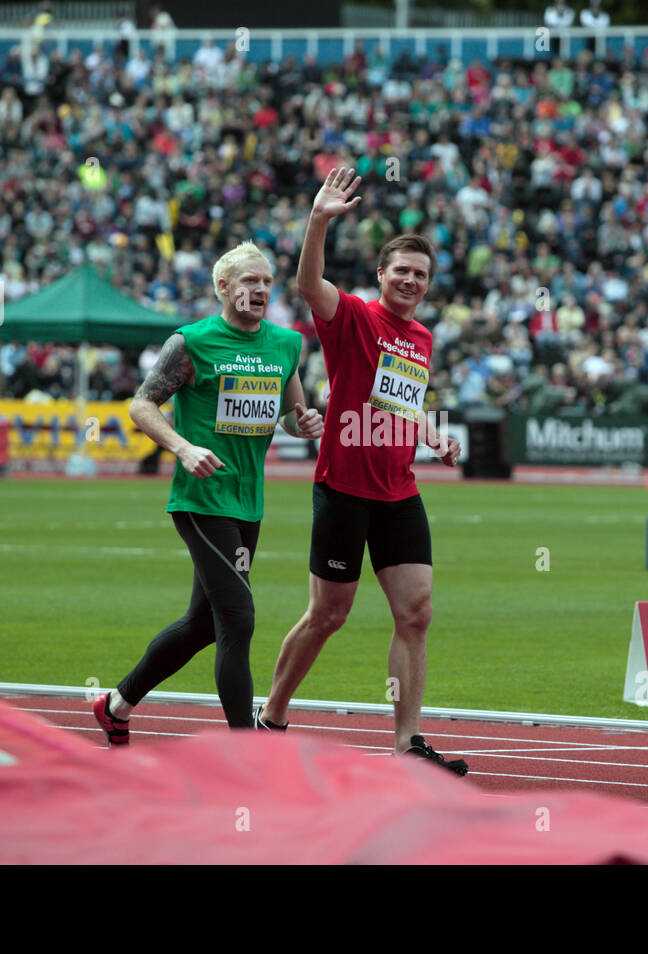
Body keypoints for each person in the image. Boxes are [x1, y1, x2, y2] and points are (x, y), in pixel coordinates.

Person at [256, 168, 469, 775]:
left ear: (427, 285)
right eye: (400, 270)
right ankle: (271, 717)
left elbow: (400, 402)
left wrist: (432, 434)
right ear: (381, 274)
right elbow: (307, 283)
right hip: (343, 489)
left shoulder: (421, 337)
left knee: (417, 612)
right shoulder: (350, 316)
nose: (410, 280)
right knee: (329, 615)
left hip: (399, 491)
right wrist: (319, 219)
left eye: (420, 274)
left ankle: (407, 743)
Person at [92, 243, 324, 744]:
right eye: (249, 281)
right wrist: (182, 447)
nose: (260, 290)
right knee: (238, 618)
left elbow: (291, 412)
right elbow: (141, 405)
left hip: (248, 502)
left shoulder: (287, 344)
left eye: (267, 282)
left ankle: (115, 705)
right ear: (223, 287)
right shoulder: (191, 342)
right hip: (201, 498)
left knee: (202, 624)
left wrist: (303, 423)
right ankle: (247, 750)